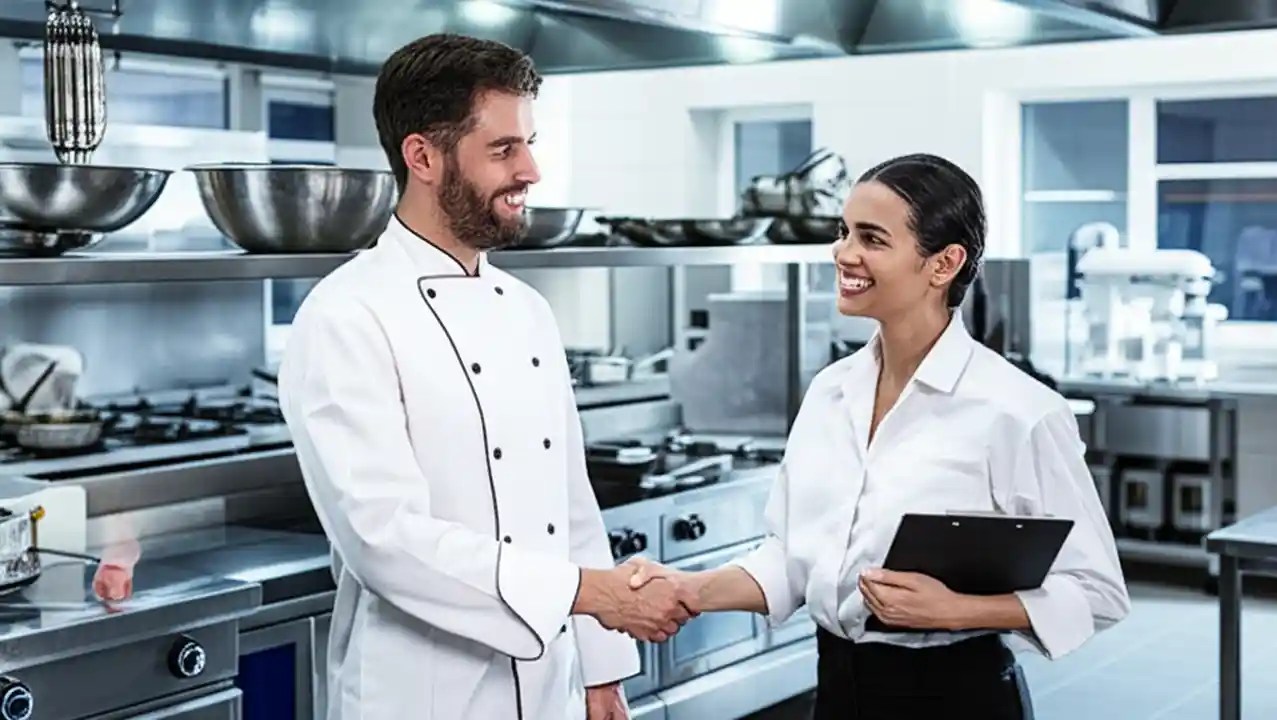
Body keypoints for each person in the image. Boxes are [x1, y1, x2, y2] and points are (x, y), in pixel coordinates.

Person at [277, 34, 695, 720]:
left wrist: (600, 671)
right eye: (503, 150)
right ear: (423, 157)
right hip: (422, 695)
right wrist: (588, 594)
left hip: (550, 686)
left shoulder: (526, 311)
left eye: (528, 143)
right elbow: (385, 537)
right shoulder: (346, 316)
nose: (531, 170)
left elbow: (570, 505)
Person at [629, 153, 1130, 719]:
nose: (844, 254)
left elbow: (1097, 589)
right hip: (841, 693)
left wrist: (956, 610)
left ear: (944, 264)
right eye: (844, 232)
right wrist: (694, 590)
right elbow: (793, 559)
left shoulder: (1017, 412)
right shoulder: (829, 392)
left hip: (956, 700)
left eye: (871, 238)